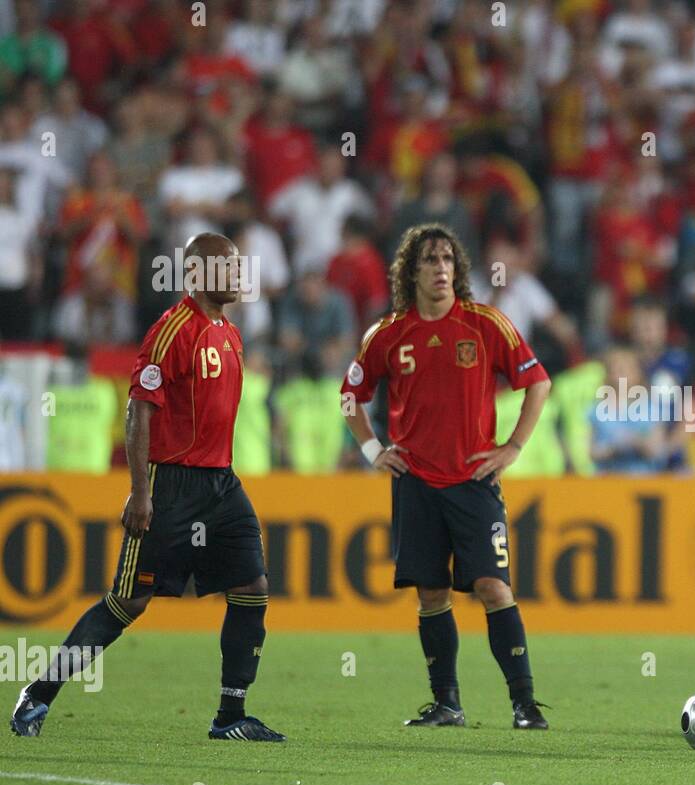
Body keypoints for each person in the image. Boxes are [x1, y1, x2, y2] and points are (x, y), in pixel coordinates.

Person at [12, 233, 283, 741]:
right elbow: (139, 409)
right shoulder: (172, 330)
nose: (237, 275)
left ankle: (231, 715)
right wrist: (141, 492)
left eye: (238, 266)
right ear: (196, 274)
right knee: (129, 602)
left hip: (221, 483)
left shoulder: (230, 332)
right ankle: (39, 692)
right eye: (225, 266)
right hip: (171, 483)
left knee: (252, 587)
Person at [341, 223, 552, 730]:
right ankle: (446, 704)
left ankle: (524, 705)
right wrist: (373, 450)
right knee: (431, 594)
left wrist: (512, 448)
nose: (441, 269)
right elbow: (350, 395)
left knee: (493, 587)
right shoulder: (388, 333)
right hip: (416, 482)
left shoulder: (485, 323)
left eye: (447, 260)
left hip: (474, 481)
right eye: (430, 260)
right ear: (410, 272)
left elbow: (538, 382)